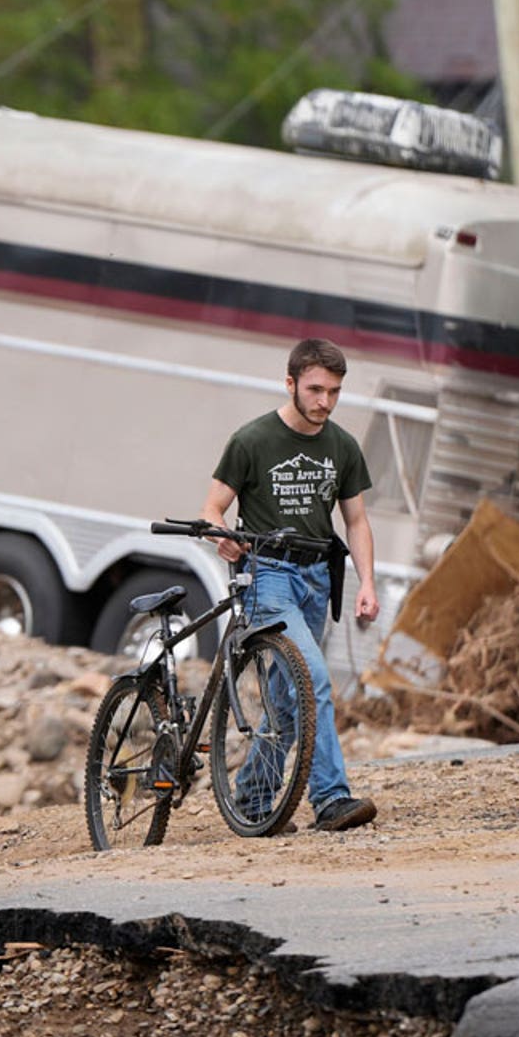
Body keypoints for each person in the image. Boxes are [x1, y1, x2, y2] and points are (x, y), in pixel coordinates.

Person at [200, 337, 380, 833]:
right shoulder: (252, 440)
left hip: (317, 577)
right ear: (291, 384)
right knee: (312, 677)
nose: (325, 402)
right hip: (268, 575)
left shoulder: (341, 446)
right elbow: (212, 507)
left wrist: (367, 582)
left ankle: (255, 802)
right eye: (316, 389)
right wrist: (223, 536)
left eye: (335, 392)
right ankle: (331, 799)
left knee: (284, 700)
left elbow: (357, 521)